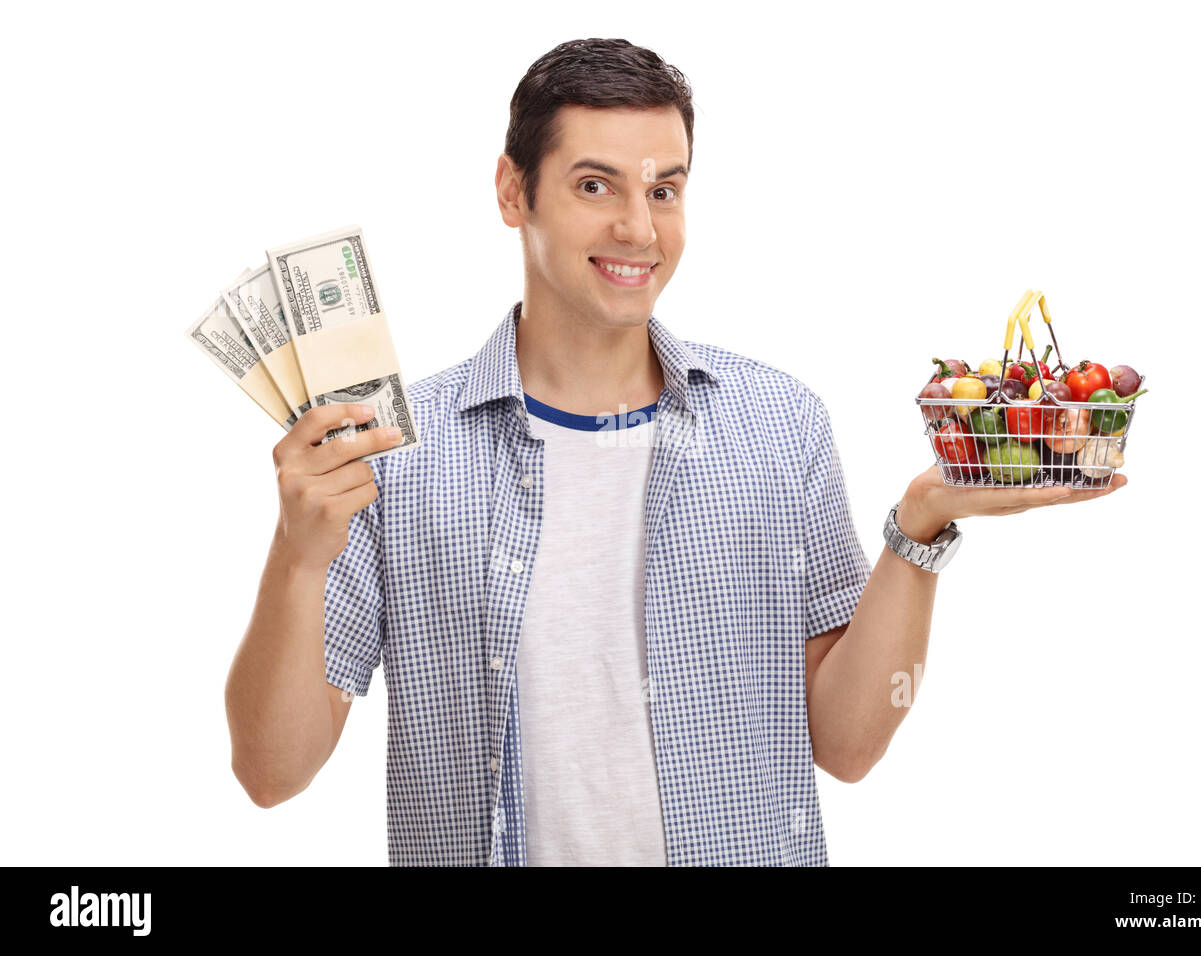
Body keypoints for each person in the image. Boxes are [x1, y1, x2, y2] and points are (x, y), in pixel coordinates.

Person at [223, 37, 1126, 867]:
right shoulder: (393, 455)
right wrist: (297, 559)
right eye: (594, 185)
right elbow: (273, 773)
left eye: (664, 190)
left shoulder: (779, 426)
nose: (639, 230)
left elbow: (848, 747)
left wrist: (920, 527)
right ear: (511, 191)